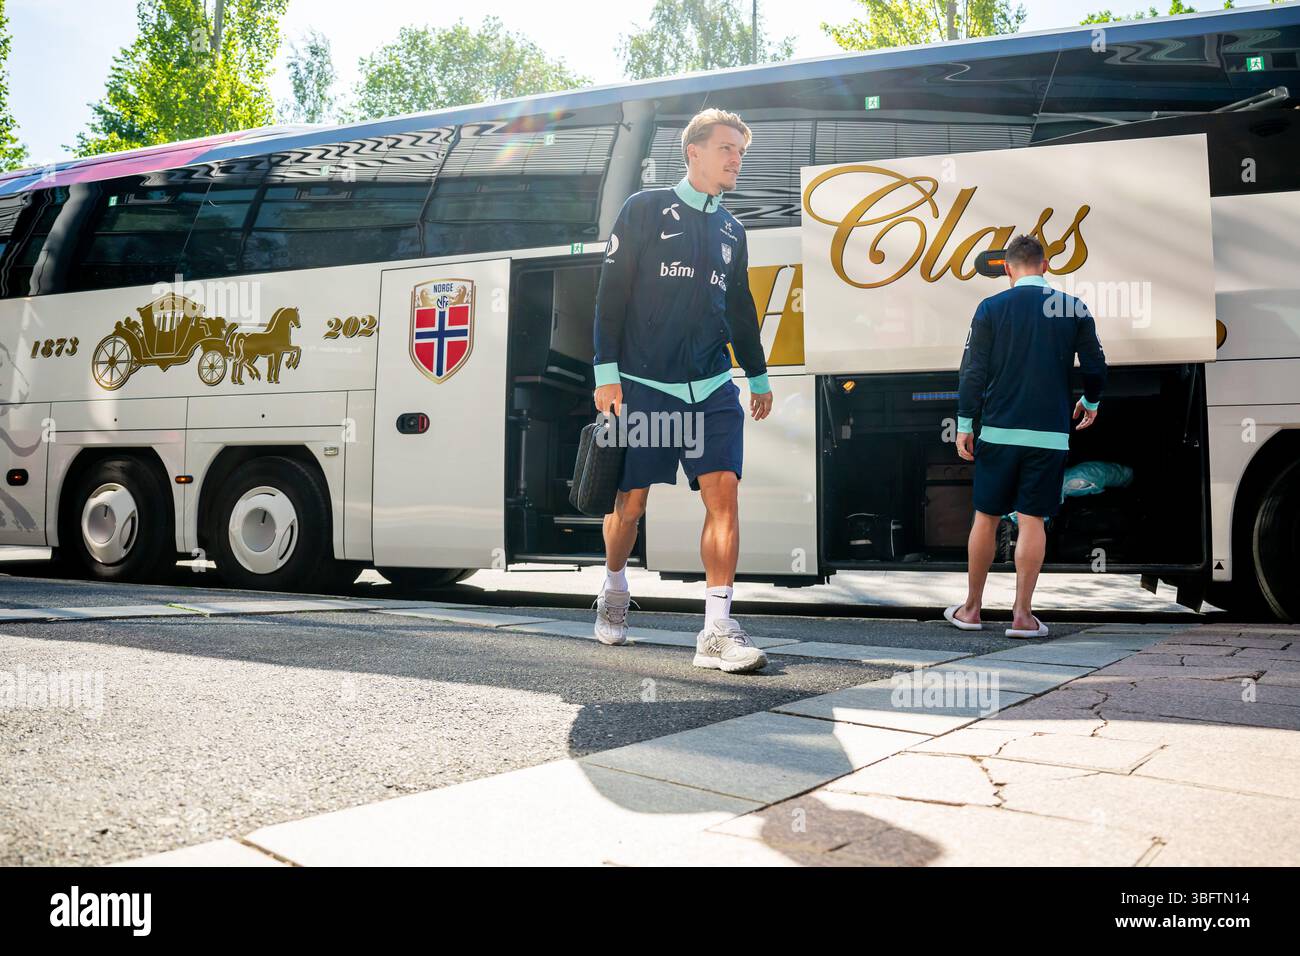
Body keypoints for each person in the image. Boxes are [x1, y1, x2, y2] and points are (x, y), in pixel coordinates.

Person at [589, 108, 773, 673]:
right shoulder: (643, 209)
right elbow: (610, 296)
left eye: (740, 151)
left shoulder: (732, 230)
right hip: (646, 386)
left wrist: (758, 375)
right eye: (726, 148)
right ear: (693, 151)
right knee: (631, 504)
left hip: (713, 386)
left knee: (724, 496)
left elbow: (740, 309)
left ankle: (716, 630)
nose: (735, 159)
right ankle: (615, 586)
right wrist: (606, 374)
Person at [947, 234, 1108, 638]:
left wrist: (965, 425)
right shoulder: (1072, 308)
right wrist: (1090, 400)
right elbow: (1095, 364)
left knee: (985, 517)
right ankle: (1022, 616)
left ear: (1006, 268)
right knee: (1032, 519)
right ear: (1046, 265)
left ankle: (971, 610)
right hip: (1049, 435)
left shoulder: (991, 307)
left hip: (999, 432)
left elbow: (972, 372)